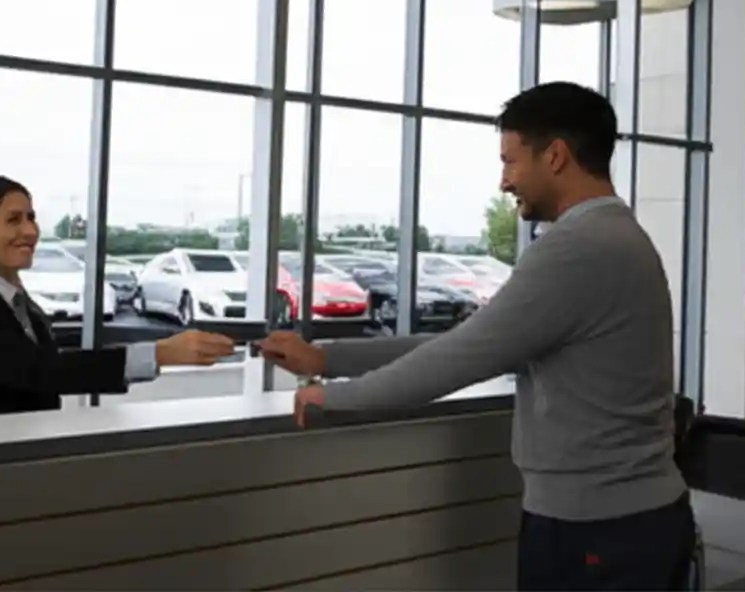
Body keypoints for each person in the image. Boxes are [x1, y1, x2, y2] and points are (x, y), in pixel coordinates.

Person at [258, 82, 694, 590]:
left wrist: (334, 397)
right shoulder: (615, 236)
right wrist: (325, 359)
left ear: (555, 156)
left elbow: (456, 360)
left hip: (600, 531)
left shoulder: (579, 248)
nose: (504, 181)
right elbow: (474, 341)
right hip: (626, 521)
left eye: (510, 161)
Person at [0, 174, 234, 419]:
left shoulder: (19, 304)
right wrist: (158, 354)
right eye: (13, 220)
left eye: (31, 218)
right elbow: (41, 372)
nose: (30, 231)